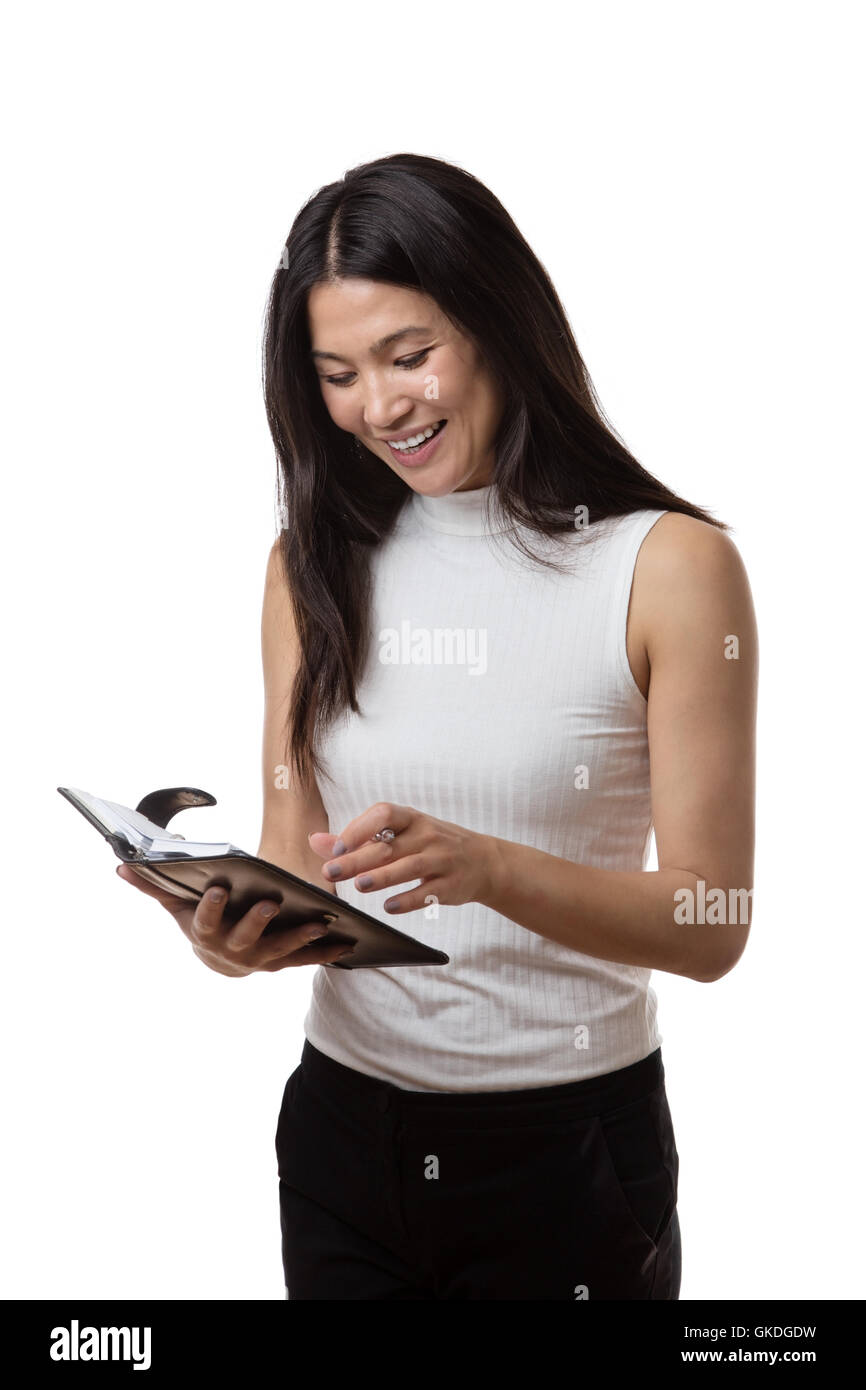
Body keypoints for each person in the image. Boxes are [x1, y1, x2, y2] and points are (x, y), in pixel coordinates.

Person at [118, 152, 758, 1300]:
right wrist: (227, 930)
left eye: (410, 355)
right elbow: (294, 850)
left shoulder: (667, 567)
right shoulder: (308, 565)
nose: (379, 407)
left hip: (565, 1157)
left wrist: (488, 868)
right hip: (340, 1133)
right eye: (337, 374)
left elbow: (710, 924)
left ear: (499, 323)